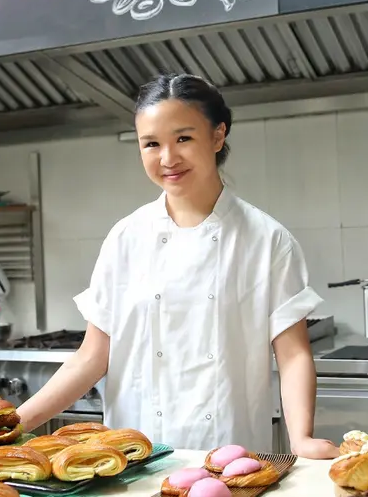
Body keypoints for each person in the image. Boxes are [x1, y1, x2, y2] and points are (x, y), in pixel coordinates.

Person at [19, 73, 338, 458]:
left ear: (218, 136)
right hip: (135, 458)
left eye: (183, 138)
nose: (168, 158)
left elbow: (293, 355)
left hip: (228, 457)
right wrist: (13, 424)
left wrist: (300, 438)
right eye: (152, 144)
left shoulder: (267, 239)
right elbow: (92, 357)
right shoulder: (126, 238)